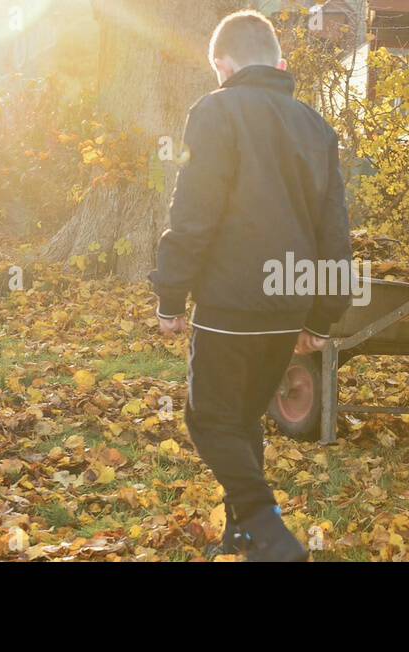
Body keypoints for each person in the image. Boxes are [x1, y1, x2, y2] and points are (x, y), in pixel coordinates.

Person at [149, 10, 352, 561]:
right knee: (242, 418)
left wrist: (170, 295)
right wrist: (321, 315)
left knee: (208, 417)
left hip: (233, 298)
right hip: (291, 302)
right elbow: (334, 229)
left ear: (222, 63)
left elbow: (193, 212)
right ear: (278, 62)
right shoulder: (315, 125)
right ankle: (243, 535)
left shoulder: (216, 111)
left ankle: (266, 526)